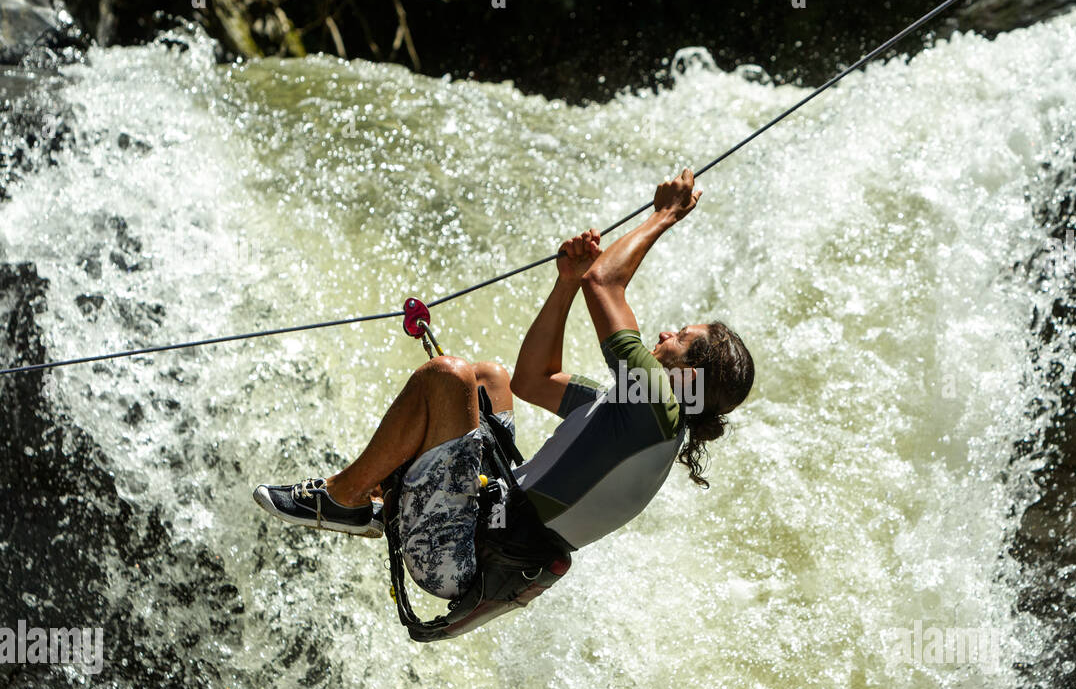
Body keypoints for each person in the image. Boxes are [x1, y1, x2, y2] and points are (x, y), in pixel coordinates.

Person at [254, 168, 754, 606]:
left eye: (682, 339)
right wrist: (566, 282)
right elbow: (533, 380)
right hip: (475, 530)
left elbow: (605, 282)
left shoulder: (656, 405)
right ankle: (389, 501)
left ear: (689, 377)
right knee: (488, 378)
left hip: (455, 554)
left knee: (447, 375)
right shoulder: (639, 417)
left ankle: (344, 498)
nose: (667, 333)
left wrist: (664, 215)